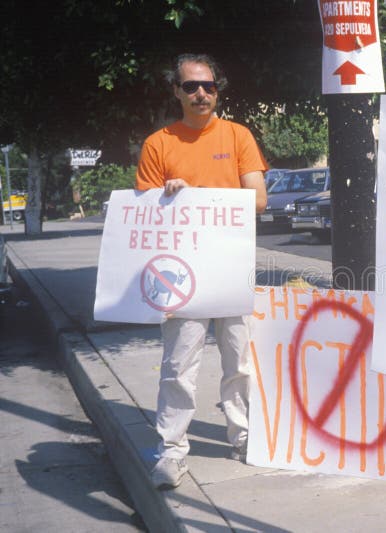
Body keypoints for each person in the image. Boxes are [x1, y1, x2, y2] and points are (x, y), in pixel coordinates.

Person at [135, 53, 268, 490]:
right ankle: (171, 453)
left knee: (241, 362)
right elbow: (145, 213)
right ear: (176, 90)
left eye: (209, 86)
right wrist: (168, 196)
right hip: (182, 273)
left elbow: (259, 199)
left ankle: (245, 437)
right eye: (191, 86)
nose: (201, 94)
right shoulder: (159, 144)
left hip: (230, 267)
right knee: (178, 367)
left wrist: (200, 195)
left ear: (218, 89)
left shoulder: (238, 135)